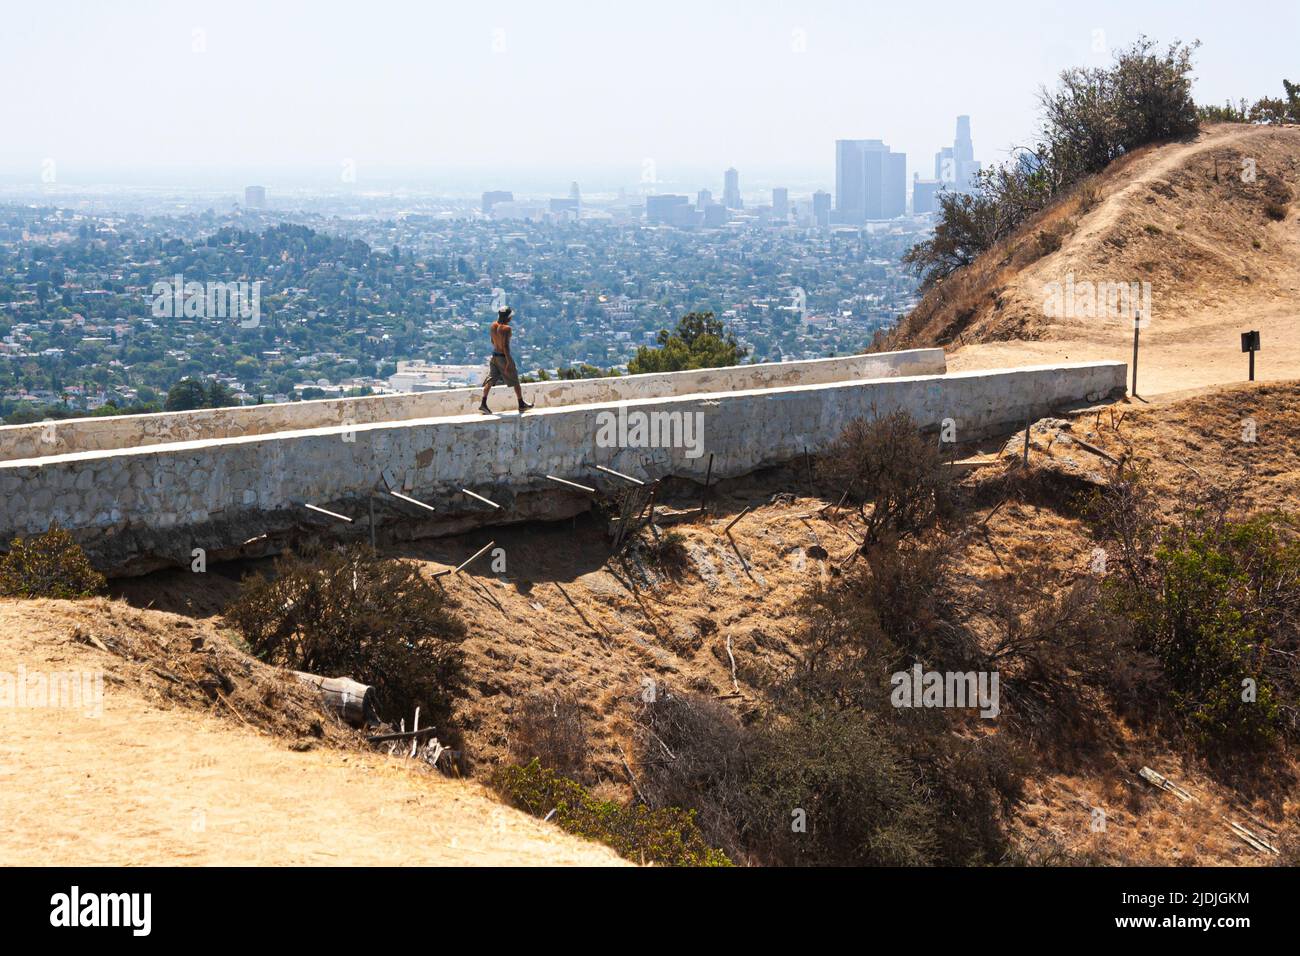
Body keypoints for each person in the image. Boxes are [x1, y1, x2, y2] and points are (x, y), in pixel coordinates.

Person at [478, 306, 534, 414]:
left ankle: (483, 404)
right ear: (507, 317)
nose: (511, 318)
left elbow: (492, 341)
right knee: (515, 380)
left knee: (490, 379)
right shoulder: (507, 329)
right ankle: (521, 404)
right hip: (503, 357)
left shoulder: (493, 326)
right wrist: (509, 362)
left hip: (494, 356)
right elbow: (506, 347)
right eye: (510, 316)